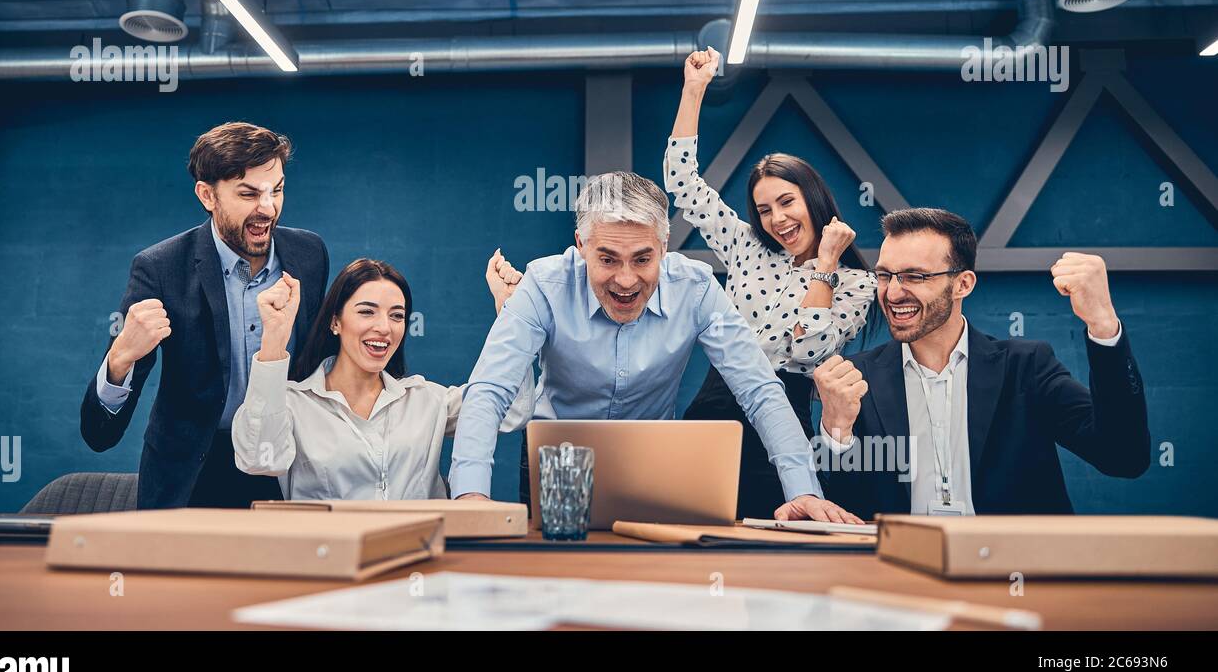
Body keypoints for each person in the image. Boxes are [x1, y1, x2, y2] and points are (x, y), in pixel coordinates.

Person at [450, 170, 863, 524]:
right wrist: (470, 495)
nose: (626, 280)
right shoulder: (544, 284)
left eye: (642, 259)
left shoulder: (696, 288)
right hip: (559, 463)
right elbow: (490, 390)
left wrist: (804, 491)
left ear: (664, 248)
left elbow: (760, 390)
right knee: (556, 577)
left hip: (650, 465)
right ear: (581, 245)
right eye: (607, 259)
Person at [815, 207, 1150, 517]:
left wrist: (1103, 323)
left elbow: (1123, 457)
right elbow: (844, 511)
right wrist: (836, 431)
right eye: (885, 275)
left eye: (915, 276)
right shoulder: (858, 378)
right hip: (899, 561)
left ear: (963, 284)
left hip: (1011, 560)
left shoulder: (1025, 367)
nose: (892, 293)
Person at [666, 47, 876, 519]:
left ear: (813, 198)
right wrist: (694, 90)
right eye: (764, 209)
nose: (777, 219)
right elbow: (683, 184)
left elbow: (809, 350)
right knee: (692, 532)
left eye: (786, 202)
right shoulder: (746, 246)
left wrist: (824, 265)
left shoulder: (857, 283)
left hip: (782, 422)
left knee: (772, 539)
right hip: (713, 410)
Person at [79, 122, 329, 509]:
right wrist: (120, 359)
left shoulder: (309, 255)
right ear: (207, 195)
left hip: (284, 464)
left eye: (276, 190)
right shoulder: (160, 268)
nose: (267, 208)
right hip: (194, 476)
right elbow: (99, 434)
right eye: (248, 193)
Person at [232, 254, 532, 500]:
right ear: (335, 322)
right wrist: (274, 341)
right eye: (367, 312)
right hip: (330, 553)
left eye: (397, 315)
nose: (384, 327)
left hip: (420, 553)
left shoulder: (426, 399)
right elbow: (259, 459)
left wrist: (512, 315)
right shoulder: (292, 404)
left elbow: (512, 409)